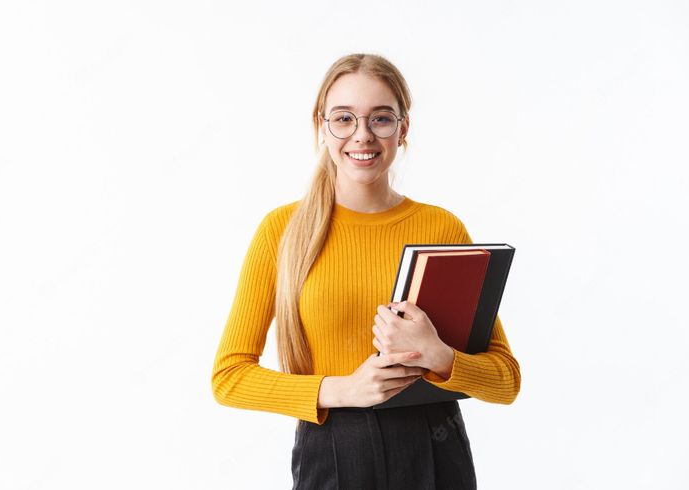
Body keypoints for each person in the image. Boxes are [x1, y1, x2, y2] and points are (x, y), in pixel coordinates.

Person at [211, 53, 521, 490]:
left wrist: (438, 355)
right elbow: (229, 377)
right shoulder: (281, 231)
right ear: (322, 127)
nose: (362, 135)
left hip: (435, 449)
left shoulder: (441, 228)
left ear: (403, 128)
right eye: (344, 118)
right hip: (333, 449)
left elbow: (506, 380)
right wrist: (342, 391)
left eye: (380, 119)